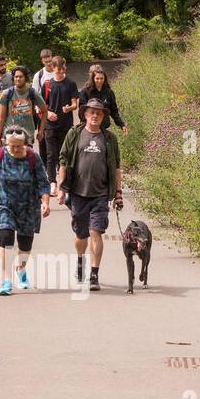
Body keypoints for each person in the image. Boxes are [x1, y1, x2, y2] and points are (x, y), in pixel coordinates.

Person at [57, 98, 124, 291]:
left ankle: (94, 274)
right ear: (85, 114)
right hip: (78, 192)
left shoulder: (110, 139)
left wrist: (118, 193)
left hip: (101, 194)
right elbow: (63, 160)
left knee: (96, 231)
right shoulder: (74, 134)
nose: (95, 115)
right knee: (81, 235)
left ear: (103, 117)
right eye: (91, 112)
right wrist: (62, 187)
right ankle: (80, 260)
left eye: (99, 113)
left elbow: (117, 167)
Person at [0, 125, 51, 296]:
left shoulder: (33, 157)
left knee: (25, 244)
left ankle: (20, 269)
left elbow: (43, 182)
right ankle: (6, 280)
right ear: (6, 143)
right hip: (4, 203)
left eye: (19, 146)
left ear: (26, 144)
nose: (16, 149)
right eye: (12, 146)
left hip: (28, 206)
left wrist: (45, 202)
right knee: (6, 237)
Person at [42, 56, 78, 195]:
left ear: (65, 68)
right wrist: (49, 113)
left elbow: (75, 104)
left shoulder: (71, 83)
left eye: (62, 70)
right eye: (57, 70)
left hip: (66, 124)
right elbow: (43, 106)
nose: (60, 72)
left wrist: (69, 108)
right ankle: (52, 182)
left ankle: (65, 183)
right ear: (52, 68)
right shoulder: (47, 84)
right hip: (50, 125)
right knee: (51, 155)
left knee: (66, 155)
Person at [0, 65, 48, 150]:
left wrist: (41, 130)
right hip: (10, 136)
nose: (18, 79)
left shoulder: (32, 93)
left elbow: (45, 111)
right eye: (16, 77)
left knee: (26, 162)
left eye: (20, 77)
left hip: (27, 137)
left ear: (25, 78)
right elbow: (1, 117)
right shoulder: (7, 94)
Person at [78, 64, 128, 135]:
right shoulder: (85, 92)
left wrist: (121, 125)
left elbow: (114, 111)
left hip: (103, 127)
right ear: (93, 79)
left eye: (101, 78)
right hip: (88, 128)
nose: (99, 81)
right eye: (97, 79)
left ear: (105, 79)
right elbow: (81, 111)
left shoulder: (109, 92)